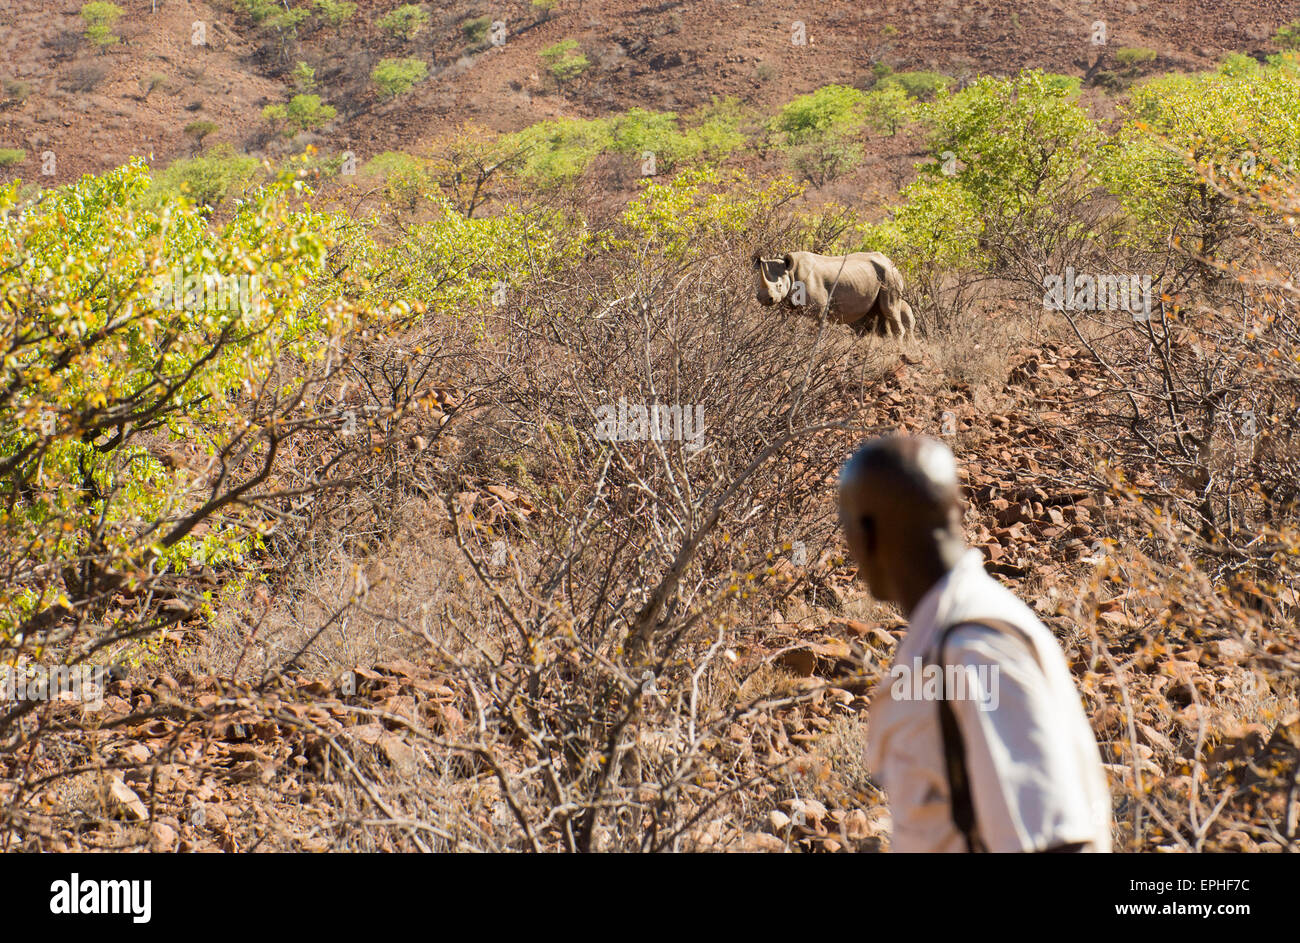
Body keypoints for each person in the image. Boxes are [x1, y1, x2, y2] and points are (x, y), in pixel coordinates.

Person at [837, 434, 1112, 852]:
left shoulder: (975, 646)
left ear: (868, 534)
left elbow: (1053, 842)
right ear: (956, 512)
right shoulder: (944, 633)